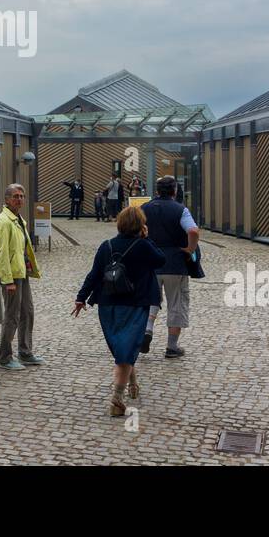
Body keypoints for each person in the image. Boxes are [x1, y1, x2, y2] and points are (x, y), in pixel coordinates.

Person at [72, 205, 165, 416]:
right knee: (124, 352)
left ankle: (128, 386)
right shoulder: (143, 246)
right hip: (135, 306)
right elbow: (161, 260)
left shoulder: (107, 246)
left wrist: (81, 298)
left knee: (123, 350)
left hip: (108, 306)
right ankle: (117, 399)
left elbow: (94, 274)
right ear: (141, 226)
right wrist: (147, 238)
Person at [141, 175, 200, 358]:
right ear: (175, 190)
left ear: (157, 191)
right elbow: (193, 231)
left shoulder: (144, 208)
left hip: (151, 261)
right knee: (177, 304)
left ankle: (147, 330)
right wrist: (190, 249)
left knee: (151, 300)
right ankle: (172, 347)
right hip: (175, 263)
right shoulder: (180, 209)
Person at [0, 183, 45, 370]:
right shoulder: (4, 221)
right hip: (10, 276)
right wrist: (8, 281)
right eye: (15, 196)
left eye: (22, 196)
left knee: (28, 312)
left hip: (21, 273)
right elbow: (2, 253)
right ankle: (5, 357)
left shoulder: (18, 218)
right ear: (7, 199)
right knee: (12, 316)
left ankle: (25, 352)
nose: (19, 199)